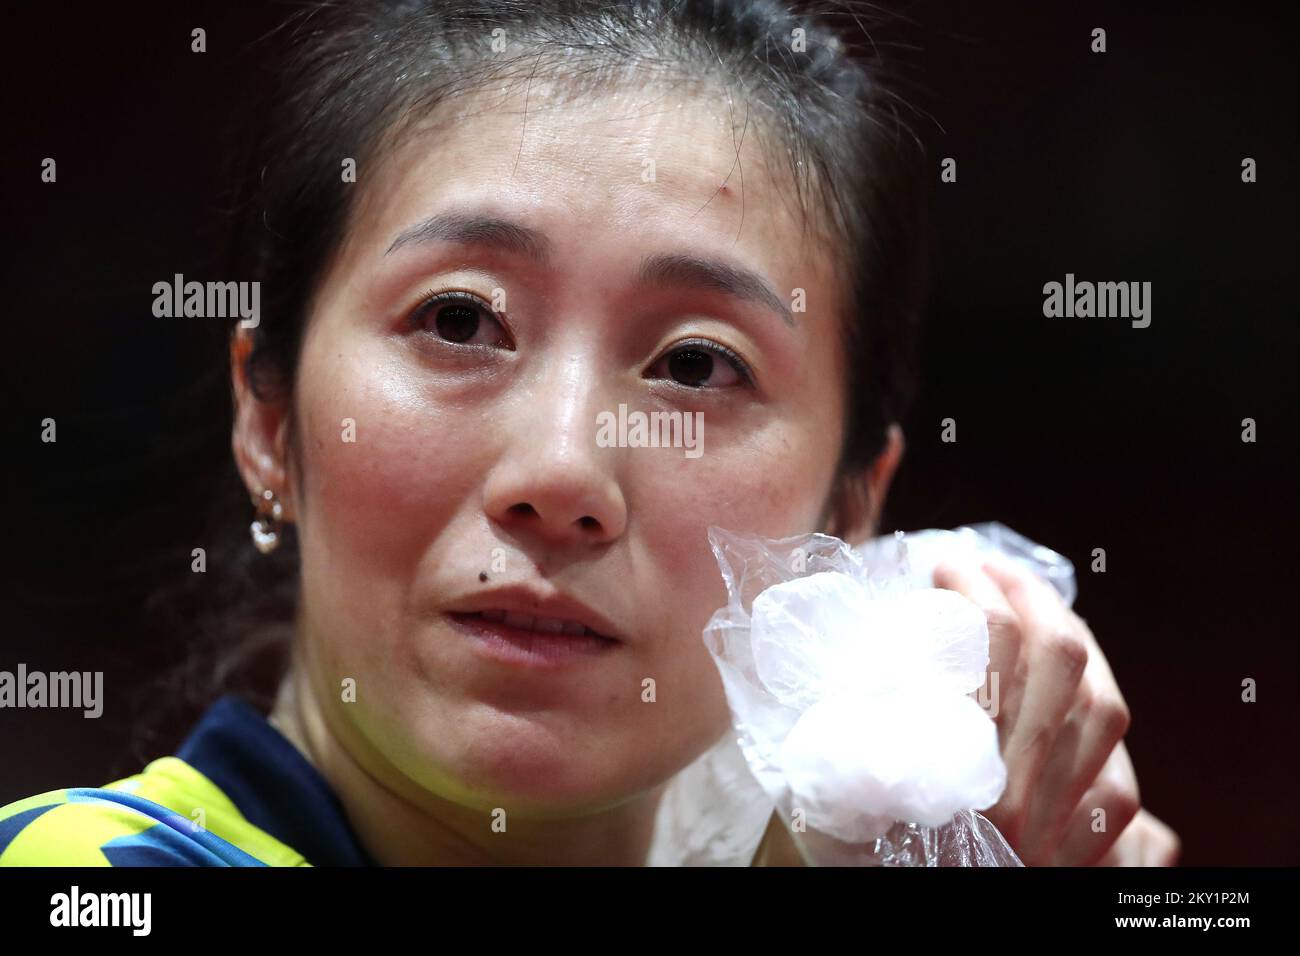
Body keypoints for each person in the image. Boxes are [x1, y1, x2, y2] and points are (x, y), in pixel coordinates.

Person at [0, 0, 1179, 867]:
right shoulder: (83, 870)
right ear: (268, 419)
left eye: (695, 364)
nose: (562, 471)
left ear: (845, 514)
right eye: (459, 319)